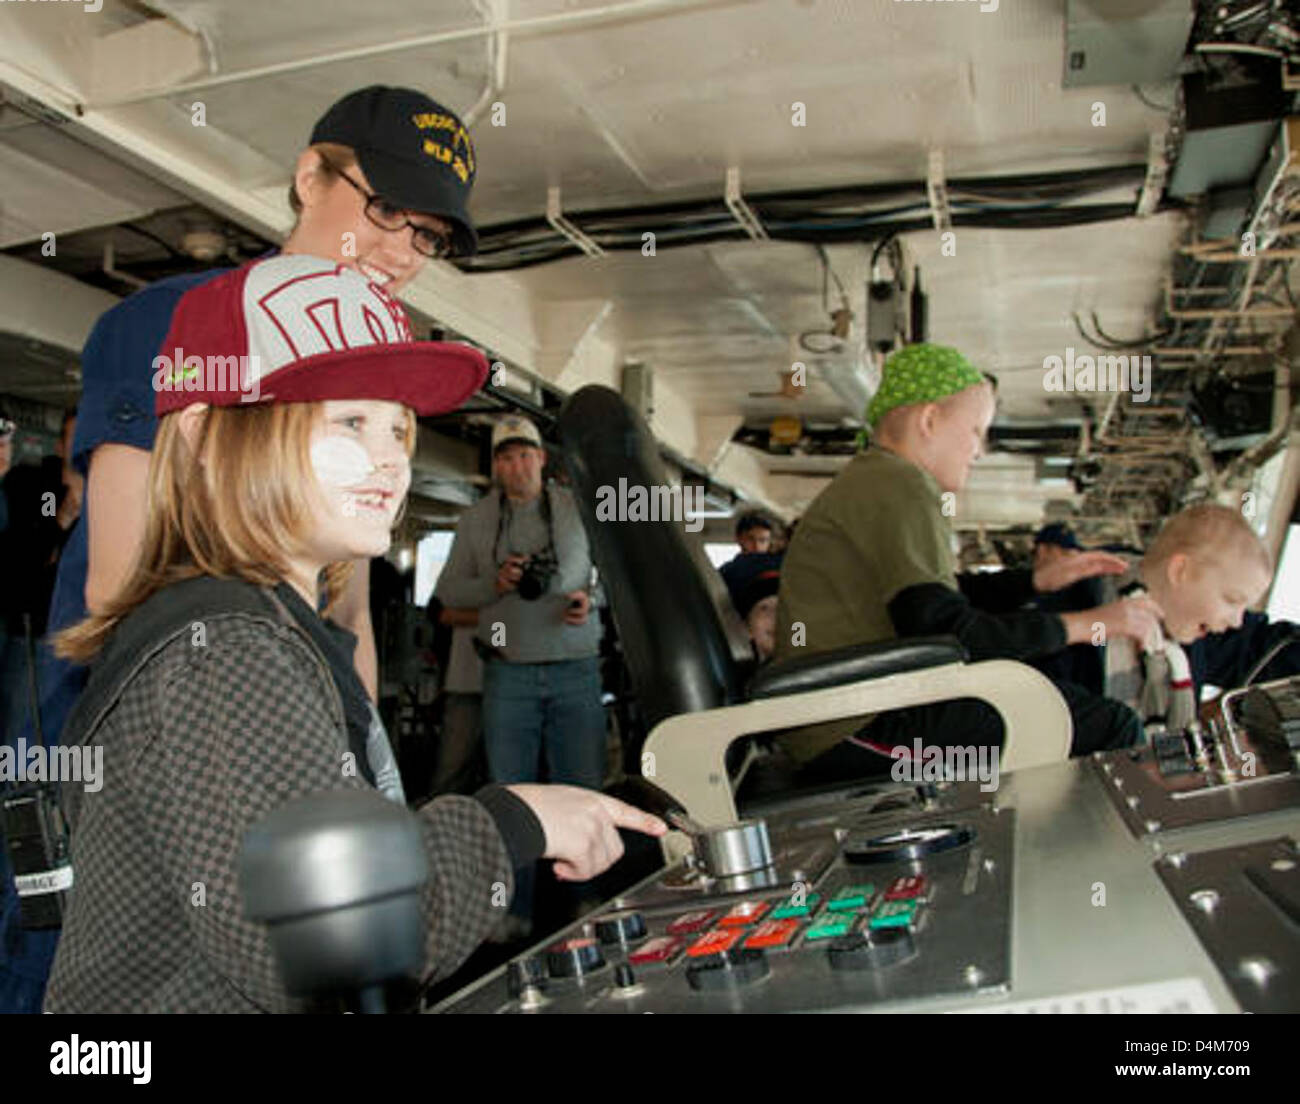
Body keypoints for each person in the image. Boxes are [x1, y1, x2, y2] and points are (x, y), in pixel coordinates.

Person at [41, 256, 665, 1013]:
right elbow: (328, 947)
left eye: (398, 427)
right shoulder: (226, 652)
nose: (391, 461)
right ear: (206, 436)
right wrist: (515, 821)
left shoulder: (263, 629)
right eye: (350, 423)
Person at [0, 84, 482, 1013]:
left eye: (429, 237)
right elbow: (128, 583)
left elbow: (345, 612)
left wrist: (356, 777)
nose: (400, 251)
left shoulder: (379, 352)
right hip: (109, 754)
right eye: (387, 211)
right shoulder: (172, 324)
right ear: (311, 176)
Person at [772, 343, 1161, 781]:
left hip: (847, 713)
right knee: (1105, 727)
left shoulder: (879, 479)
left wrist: (1033, 582)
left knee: (1051, 710)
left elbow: (936, 597)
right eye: (976, 430)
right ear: (930, 420)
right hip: (849, 728)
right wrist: (1094, 624)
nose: (979, 450)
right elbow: (955, 635)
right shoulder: (902, 487)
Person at [434, 413, 606, 937]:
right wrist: (495, 581)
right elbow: (449, 598)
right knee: (511, 796)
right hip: (508, 675)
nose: (517, 466)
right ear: (495, 467)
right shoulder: (475, 521)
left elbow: (614, 581)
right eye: (505, 458)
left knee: (583, 788)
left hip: (576, 668)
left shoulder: (578, 511)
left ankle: (589, 908)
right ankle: (513, 913)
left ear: (542, 458)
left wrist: (591, 599)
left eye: (525, 454)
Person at [1096, 503, 1276, 731]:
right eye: (1232, 599)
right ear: (1180, 571)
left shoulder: (1182, 656)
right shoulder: (1087, 600)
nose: (1236, 622)